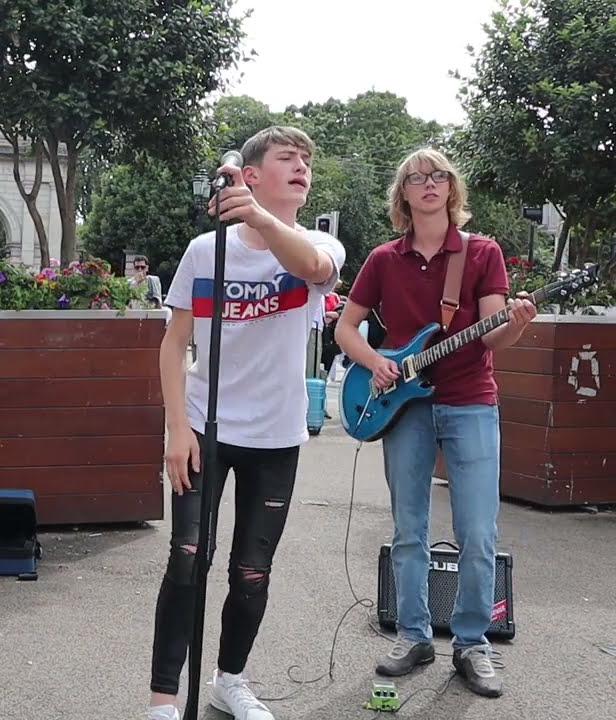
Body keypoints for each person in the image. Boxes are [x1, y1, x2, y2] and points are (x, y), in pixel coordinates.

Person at [148, 126, 345, 720]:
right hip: (205, 427)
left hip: (276, 436)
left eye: (307, 160)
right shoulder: (205, 250)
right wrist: (176, 428)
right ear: (251, 173)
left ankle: (229, 681)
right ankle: (162, 701)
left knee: (251, 572)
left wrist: (257, 216)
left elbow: (311, 265)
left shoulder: (320, 244)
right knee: (188, 557)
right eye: (288, 157)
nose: (302, 166)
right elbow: (174, 343)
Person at [335, 148, 534, 699]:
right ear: (403, 193)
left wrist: (517, 323)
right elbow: (345, 329)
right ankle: (414, 635)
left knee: (478, 531)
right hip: (406, 406)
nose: (429, 183)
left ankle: (472, 642)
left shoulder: (481, 252)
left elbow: (494, 335)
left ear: (451, 188)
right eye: (417, 177)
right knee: (409, 529)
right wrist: (375, 362)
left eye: (439, 175)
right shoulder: (383, 259)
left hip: (471, 400)